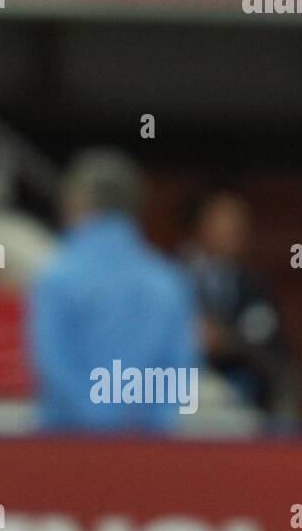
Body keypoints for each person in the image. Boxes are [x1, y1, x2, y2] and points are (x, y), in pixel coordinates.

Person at [28, 151, 199, 433]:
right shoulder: (169, 283)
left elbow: (52, 366)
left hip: (66, 451)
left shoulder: (56, 278)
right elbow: (178, 372)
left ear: (78, 202)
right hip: (145, 452)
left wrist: (98, 422)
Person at [182, 188, 290, 415]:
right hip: (181, 395)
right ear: (199, 223)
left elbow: (273, 347)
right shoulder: (169, 277)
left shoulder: (254, 285)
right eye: (225, 219)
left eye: (241, 222)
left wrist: (227, 340)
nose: (235, 229)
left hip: (242, 394)